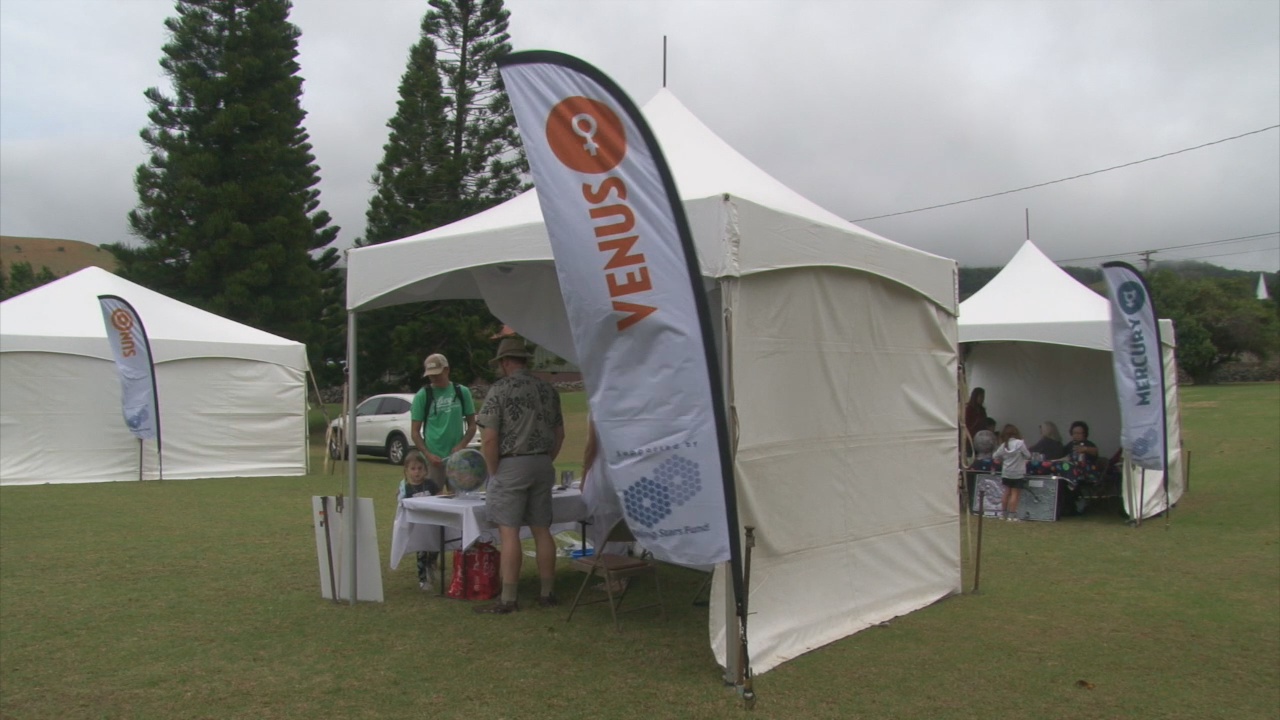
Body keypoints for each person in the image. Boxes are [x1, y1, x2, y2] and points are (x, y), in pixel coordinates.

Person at [473, 338, 565, 614]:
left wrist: (494, 470)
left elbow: (490, 438)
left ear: (504, 362)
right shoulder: (548, 389)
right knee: (541, 529)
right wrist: (545, 459)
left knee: (509, 531)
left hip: (512, 463)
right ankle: (547, 592)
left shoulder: (500, 390)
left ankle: (509, 598)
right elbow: (559, 434)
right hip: (542, 462)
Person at [410, 353, 476, 490]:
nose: (434, 378)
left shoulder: (462, 392)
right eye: (431, 375)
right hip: (433, 460)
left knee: (458, 498)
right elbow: (415, 432)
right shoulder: (423, 395)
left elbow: (472, 426)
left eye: (437, 374)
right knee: (431, 498)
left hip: (456, 459)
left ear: (447, 370)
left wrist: (462, 445)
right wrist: (428, 455)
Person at [581, 416, 630, 594]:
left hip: (604, 473)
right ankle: (619, 572)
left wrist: (584, 473)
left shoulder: (597, 410)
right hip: (625, 472)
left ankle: (615, 576)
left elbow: (591, 447)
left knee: (605, 526)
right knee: (617, 522)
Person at [398, 450, 440, 590]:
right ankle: (422, 580)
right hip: (417, 528)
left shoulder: (430, 484)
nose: (417, 472)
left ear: (425, 470)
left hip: (432, 525)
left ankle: (431, 565)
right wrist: (400, 496)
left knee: (435, 548)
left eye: (420, 468)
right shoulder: (407, 489)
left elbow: (440, 497)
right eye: (413, 469)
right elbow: (402, 505)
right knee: (421, 553)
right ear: (407, 470)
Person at [993, 423, 1031, 521]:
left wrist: (1002, 459)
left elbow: (995, 456)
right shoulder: (1020, 443)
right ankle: (1012, 515)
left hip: (1006, 472)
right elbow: (1028, 455)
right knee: (1015, 493)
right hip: (1018, 472)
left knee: (1006, 492)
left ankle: (1003, 514)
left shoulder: (1004, 445)